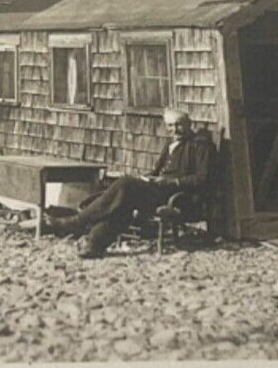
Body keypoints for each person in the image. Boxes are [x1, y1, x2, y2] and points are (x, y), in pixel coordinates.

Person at [44, 108, 214, 259]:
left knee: (125, 184)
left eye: (178, 125)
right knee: (123, 202)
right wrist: (145, 178)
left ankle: (78, 222)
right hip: (158, 190)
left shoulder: (200, 145)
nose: (174, 130)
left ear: (189, 124)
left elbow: (203, 178)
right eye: (170, 126)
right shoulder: (170, 144)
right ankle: (93, 244)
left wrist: (172, 182)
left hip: (177, 196)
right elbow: (156, 172)